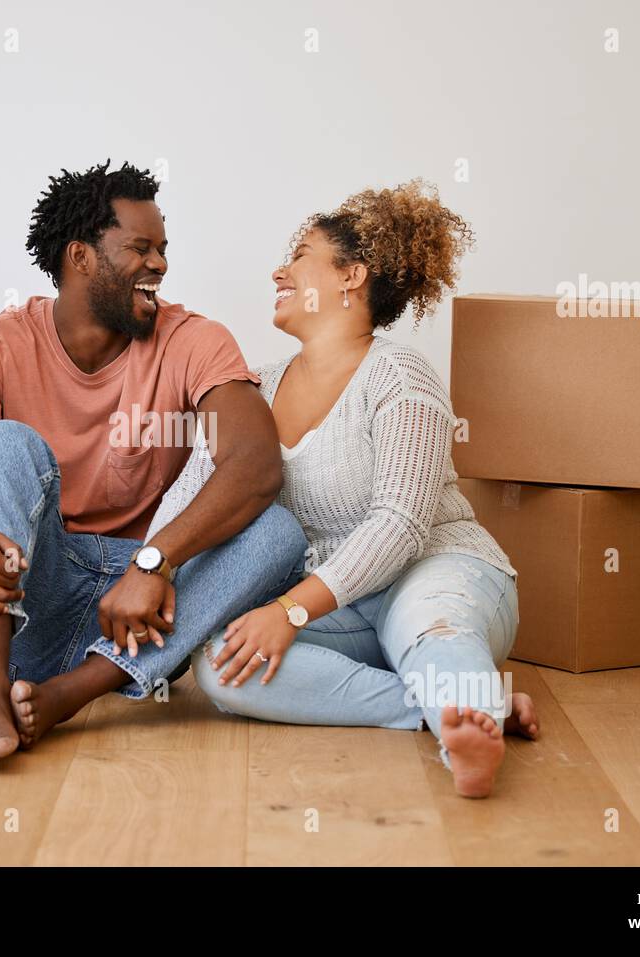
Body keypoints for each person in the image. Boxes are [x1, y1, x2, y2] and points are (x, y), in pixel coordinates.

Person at [151, 180, 539, 797]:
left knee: (432, 631)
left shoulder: (401, 375)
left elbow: (400, 526)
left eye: (300, 254)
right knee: (223, 662)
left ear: (350, 276)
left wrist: (289, 609)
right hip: (342, 607)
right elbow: (195, 492)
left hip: (436, 569)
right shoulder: (253, 386)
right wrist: (153, 567)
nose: (279, 270)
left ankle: (467, 723)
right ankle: (433, 710)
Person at [0, 161, 306, 770]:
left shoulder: (193, 340)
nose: (160, 265)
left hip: (147, 609)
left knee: (278, 531)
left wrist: (155, 560)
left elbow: (256, 466)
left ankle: (67, 697)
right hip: (32, 595)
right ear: (81, 257)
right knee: (5, 442)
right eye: (140, 249)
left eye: (163, 250)